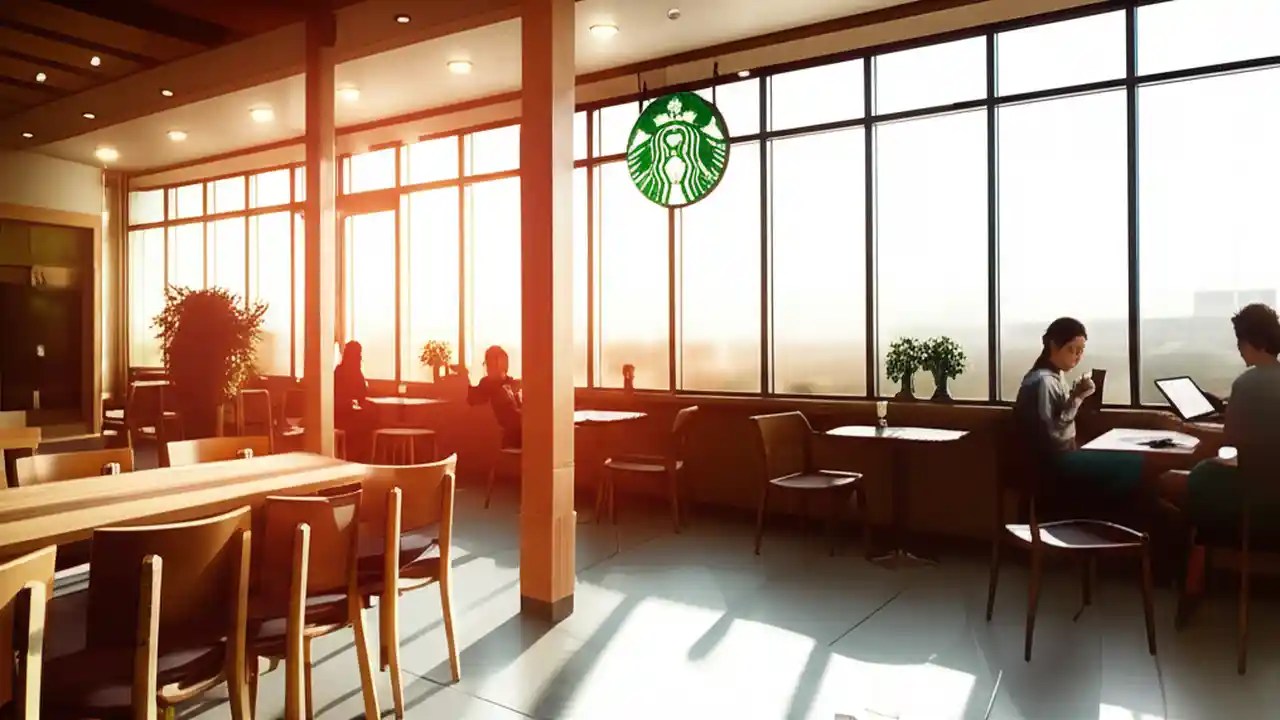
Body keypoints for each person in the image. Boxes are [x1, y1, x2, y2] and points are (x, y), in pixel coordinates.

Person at [1156, 304, 1280, 533]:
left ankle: (1188, 557)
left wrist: (1183, 428)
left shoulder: (1247, 383)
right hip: (1271, 488)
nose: (1239, 349)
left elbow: (1229, 445)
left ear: (1255, 341)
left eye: (1240, 341)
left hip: (1253, 492)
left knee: (1166, 480)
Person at [1013, 317, 1145, 508]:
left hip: (1059, 457)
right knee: (1131, 465)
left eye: (1081, 351)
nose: (1077, 356)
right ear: (1053, 345)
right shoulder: (1043, 381)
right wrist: (1077, 399)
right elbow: (1051, 437)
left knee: (1125, 460)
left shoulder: (1054, 376)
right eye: (1071, 350)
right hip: (1051, 463)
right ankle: (1099, 518)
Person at [464, 346, 522, 449]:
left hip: (516, 430)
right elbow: (512, 419)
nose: (488, 368)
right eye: (488, 364)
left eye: (491, 364)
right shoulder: (489, 386)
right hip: (509, 436)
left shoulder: (512, 385)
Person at [334, 341, 375, 461]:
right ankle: (358, 458)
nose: (360, 357)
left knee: (370, 417)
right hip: (341, 415)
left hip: (350, 412)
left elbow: (361, 394)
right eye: (358, 354)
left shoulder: (353, 371)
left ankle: (360, 457)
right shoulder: (341, 372)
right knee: (364, 423)